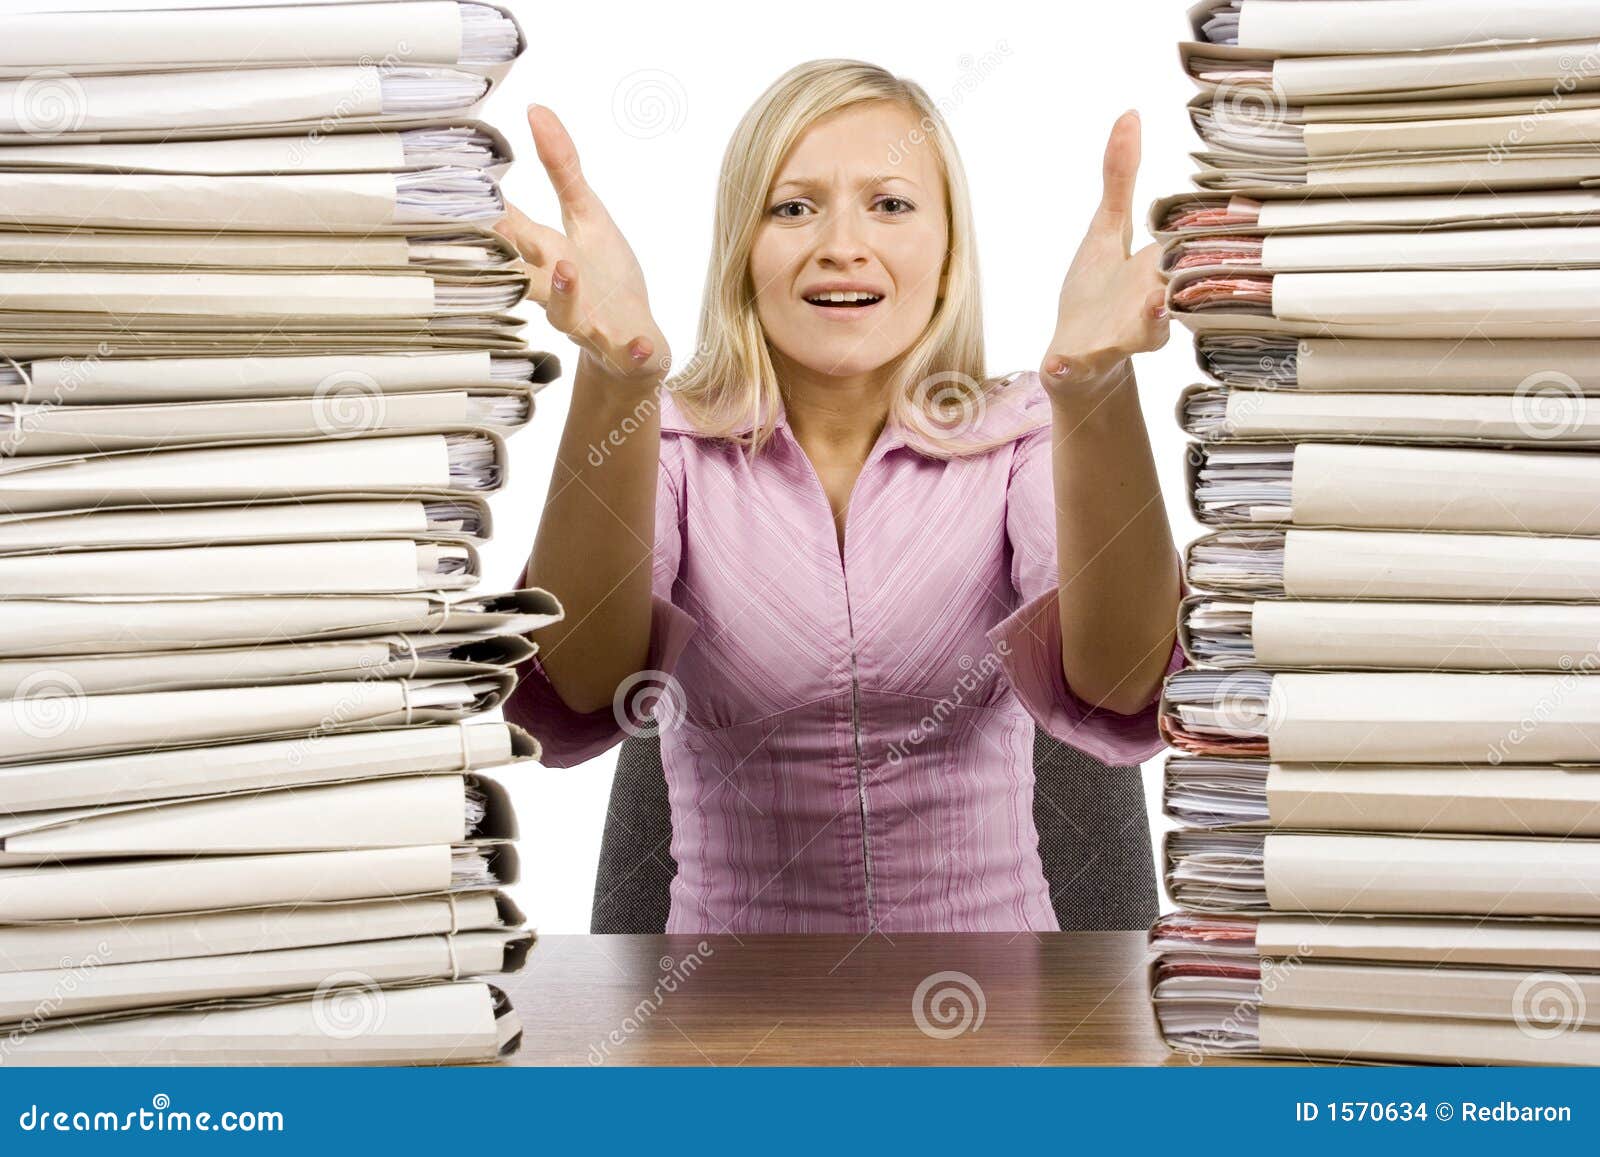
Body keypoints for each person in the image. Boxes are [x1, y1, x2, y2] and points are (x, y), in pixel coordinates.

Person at [499, 59, 1183, 934]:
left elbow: (1125, 684)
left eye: (890, 204)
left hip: (998, 1018)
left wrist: (1092, 394)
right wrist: (617, 378)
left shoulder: (1021, 437)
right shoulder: (667, 445)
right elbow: (586, 686)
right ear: (744, 253)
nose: (841, 244)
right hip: (721, 1028)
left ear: (946, 258)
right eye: (794, 207)